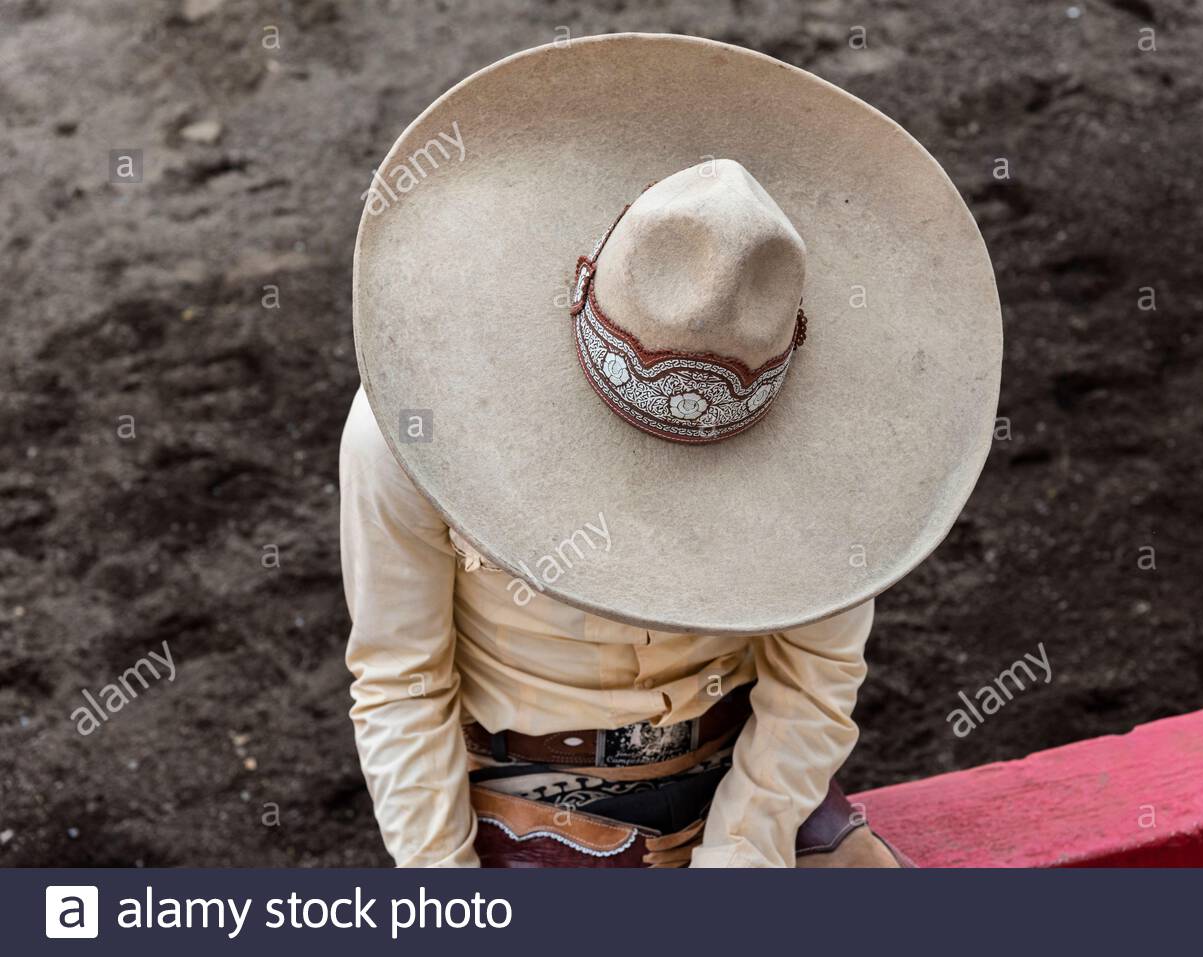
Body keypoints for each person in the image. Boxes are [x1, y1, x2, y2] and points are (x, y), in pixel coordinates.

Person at [342, 34, 1001, 868]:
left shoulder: (851, 465)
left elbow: (817, 673)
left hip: (749, 780)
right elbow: (402, 680)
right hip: (535, 800)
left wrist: (745, 848)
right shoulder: (404, 427)